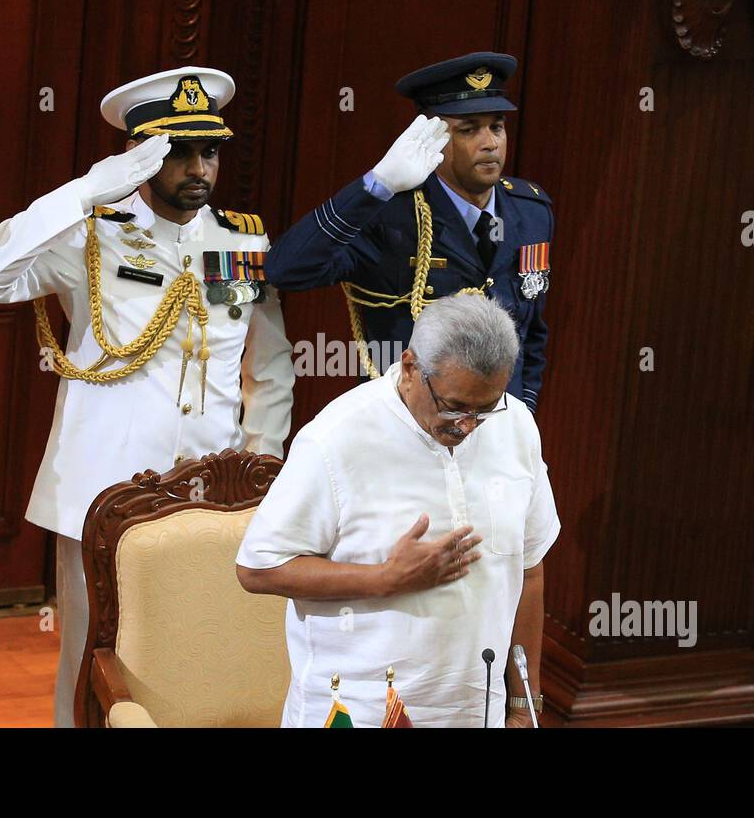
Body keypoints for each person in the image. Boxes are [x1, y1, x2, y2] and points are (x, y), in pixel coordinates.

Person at [0, 67, 294, 727]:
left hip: (211, 499)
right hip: (101, 494)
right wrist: (81, 193)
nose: (199, 167)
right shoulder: (91, 235)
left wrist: (259, 473)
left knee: (202, 661)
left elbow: (273, 367)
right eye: (178, 151)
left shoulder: (242, 241)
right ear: (139, 153)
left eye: (210, 151)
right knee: (95, 665)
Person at [236, 295, 559, 727]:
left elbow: (529, 569)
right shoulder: (335, 439)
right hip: (358, 711)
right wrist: (387, 578)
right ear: (410, 367)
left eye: (483, 409)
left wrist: (524, 704)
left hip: (475, 711)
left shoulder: (515, 425)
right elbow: (258, 569)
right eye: (454, 405)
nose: (467, 425)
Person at [265, 51, 554, 413]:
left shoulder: (530, 211)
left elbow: (531, 334)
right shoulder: (389, 214)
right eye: (468, 129)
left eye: (496, 126)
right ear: (431, 136)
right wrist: (376, 185)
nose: (490, 142)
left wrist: (523, 414)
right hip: (408, 424)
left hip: (496, 424)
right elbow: (286, 269)